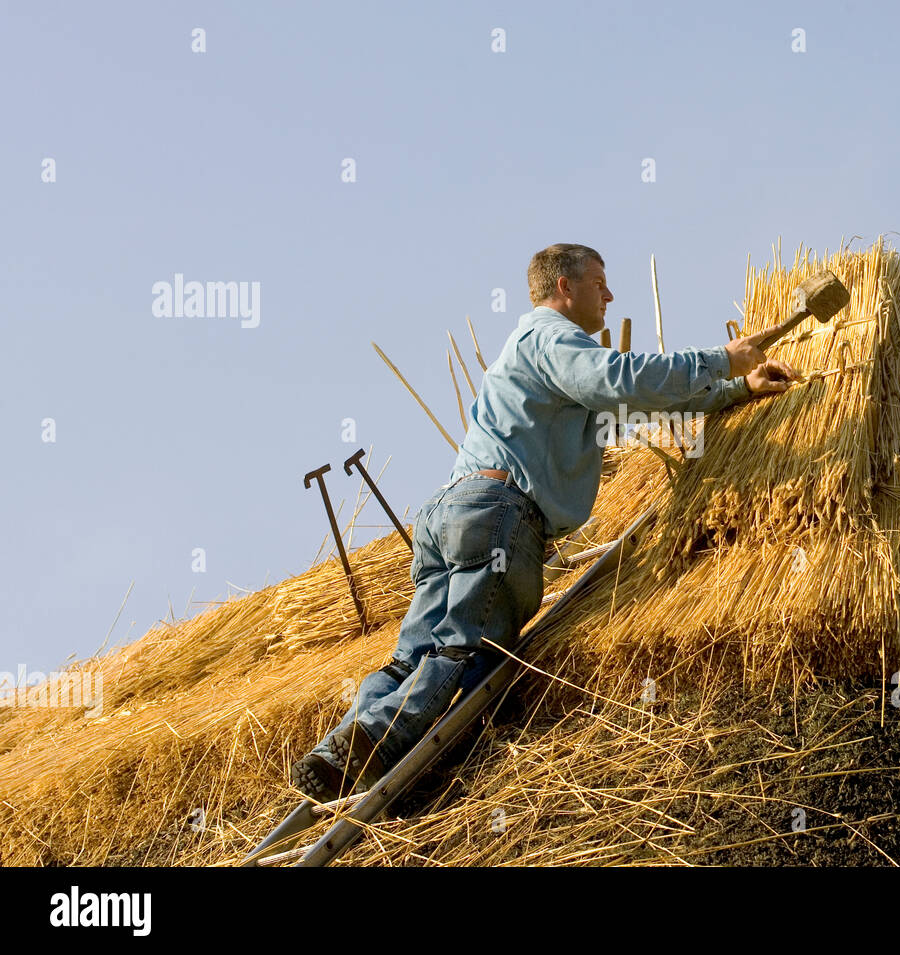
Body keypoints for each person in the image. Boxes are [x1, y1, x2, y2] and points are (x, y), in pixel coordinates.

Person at [290, 243, 798, 800]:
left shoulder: (543, 365)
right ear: (564, 287)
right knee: (465, 648)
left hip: (454, 513)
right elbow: (622, 379)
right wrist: (721, 359)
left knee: (410, 657)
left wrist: (735, 389)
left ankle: (342, 745)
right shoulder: (551, 338)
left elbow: (641, 407)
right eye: (599, 282)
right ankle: (378, 747)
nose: (608, 295)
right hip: (500, 515)